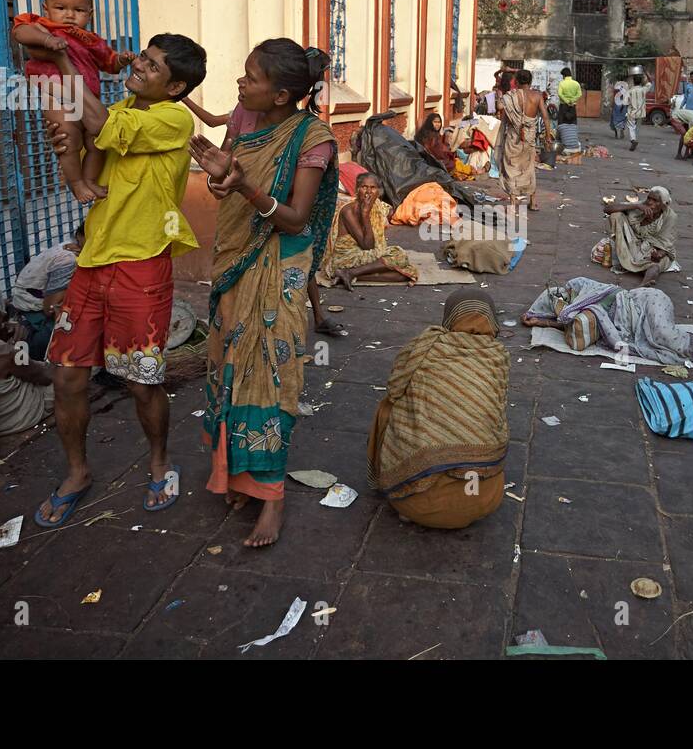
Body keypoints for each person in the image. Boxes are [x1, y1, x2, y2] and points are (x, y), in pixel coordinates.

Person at [36, 32, 206, 527]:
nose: (140, 66)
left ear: (175, 88)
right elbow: (88, 140)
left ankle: (158, 462)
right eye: (145, 58)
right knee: (67, 376)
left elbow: (102, 124)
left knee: (140, 381)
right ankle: (77, 472)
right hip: (93, 260)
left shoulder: (173, 119)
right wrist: (65, 145)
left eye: (153, 67)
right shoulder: (127, 104)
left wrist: (66, 52)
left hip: (142, 264)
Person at [188, 39, 339, 549]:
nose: (241, 83)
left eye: (251, 77)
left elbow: (295, 216)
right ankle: (239, 477)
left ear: (280, 96)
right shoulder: (241, 119)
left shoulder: (312, 137)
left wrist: (242, 187)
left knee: (271, 374)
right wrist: (219, 179)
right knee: (230, 362)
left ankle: (271, 496)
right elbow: (224, 181)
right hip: (235, 258)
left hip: (278, 267)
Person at [366, 290, 509, 529]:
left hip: (416, 508)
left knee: (387, 408)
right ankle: (469, 502)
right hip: (484, 501)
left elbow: (395, 388)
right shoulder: (498, 356)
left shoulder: (426, 346)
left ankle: (407, 493)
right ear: (492, 320)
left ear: (450, 318)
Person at [12, 0, 135, 203]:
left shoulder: (91, 40)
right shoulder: (43, 26)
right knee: (67, 140)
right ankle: (77, 184)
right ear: (46, 8)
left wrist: (121, 59)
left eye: (78, 10)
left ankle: (89, 180)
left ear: (90, 13)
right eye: (61, 8)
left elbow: (109, 62)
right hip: (57, 97)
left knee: (98, 141)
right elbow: (19, 32)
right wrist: (47, 40)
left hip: (87, 101)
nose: (69, 15)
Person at [521, 277, 693, 366]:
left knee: (665, 337)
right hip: (635, 317)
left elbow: (569, 313)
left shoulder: (581, 288)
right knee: (659, 343)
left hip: (647, 300)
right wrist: (542, 322)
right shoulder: (580, 313)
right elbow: (568, 320)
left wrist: (557, 313)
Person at [0, 281, 56, 437]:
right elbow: (45, 376)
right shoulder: (7, 353)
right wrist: (18, 344)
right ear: (0, 316)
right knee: (69, 375)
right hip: (20, 417)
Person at [325, 172, 419, 290]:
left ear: (378, 192)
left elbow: (390, 211)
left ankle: (351, 274)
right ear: (357, 189)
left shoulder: (377, 206)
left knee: (405, 275)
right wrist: (365, 214)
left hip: (364, 256)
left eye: (373, 188)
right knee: (399, 255)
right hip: (347, 258)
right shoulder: (349, 211)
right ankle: (347, 272)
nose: (368, 192)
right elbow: (367, 246)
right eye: (364, 187)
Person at [10, 222, 84, 362]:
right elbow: (50, 308)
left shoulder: (77, 248)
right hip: (35, 312)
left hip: (31, 304)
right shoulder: (69, 259)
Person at [601, 186, 677, 286]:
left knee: (655, 266)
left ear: (664, 204)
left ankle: (644, 283)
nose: (650, 202)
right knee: (616, 215)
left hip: (651, 248)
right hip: (631, 242)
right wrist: (635, 206)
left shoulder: (670, 217)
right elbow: (607, 209)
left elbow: (665, 243)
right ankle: (630, 259)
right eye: (649, 198)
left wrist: (659, 254)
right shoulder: (641, 205)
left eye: (655, 201)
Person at [496, 69, 543, 211]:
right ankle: (533, 201)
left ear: (516, 82)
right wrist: (547, 136)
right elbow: (546, 116)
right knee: (529, 168)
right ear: (530, 81)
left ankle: (513, 202)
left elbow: (499, 107)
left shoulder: (510, 96)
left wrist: (501, 97)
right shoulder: (537, 96)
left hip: (513, 137)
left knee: (511, 168)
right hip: (529, 138)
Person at [625, 71, 651, 152]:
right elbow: (649, 83)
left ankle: (633, 140)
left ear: (633, 82)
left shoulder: (629, 91)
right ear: (641, 82)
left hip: (632, 112)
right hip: (641, 113)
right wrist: (646, 74)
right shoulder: (644, 89)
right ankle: (635, 139)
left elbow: (625, 103)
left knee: (631, 127)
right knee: (637, 128)